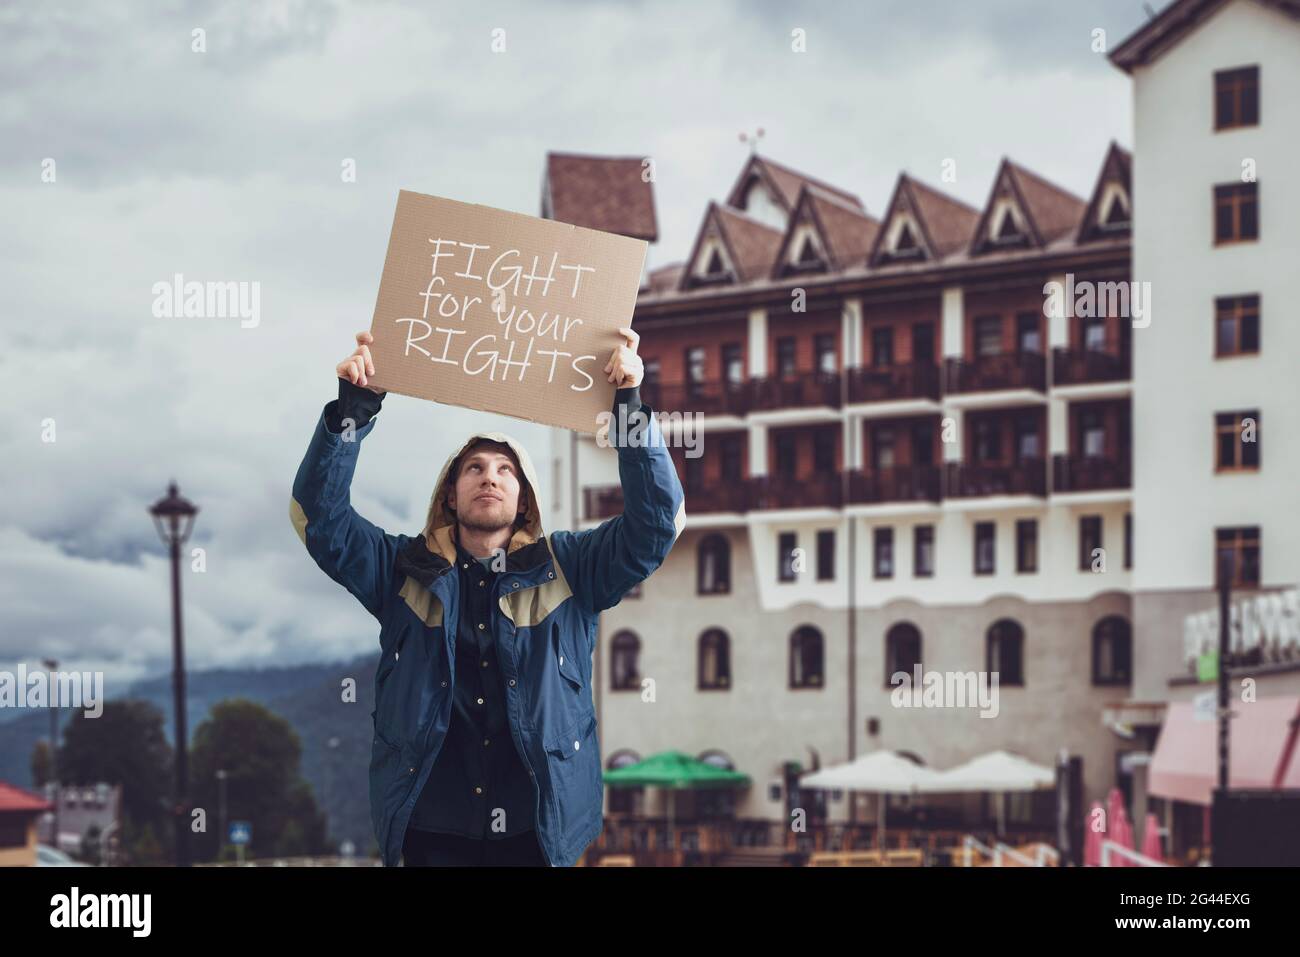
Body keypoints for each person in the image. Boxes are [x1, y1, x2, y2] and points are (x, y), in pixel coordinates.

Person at [290, 327, 684, 867]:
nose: (488, 478)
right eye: (473, 468)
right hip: (430, 828)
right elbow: (318, 519)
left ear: (524, 499)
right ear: (450, 495)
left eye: (505, 470)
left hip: (538, 832)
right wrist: (354, 408)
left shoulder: (572, 567)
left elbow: (657, 525)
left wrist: (629, 407)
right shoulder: (401, 569)